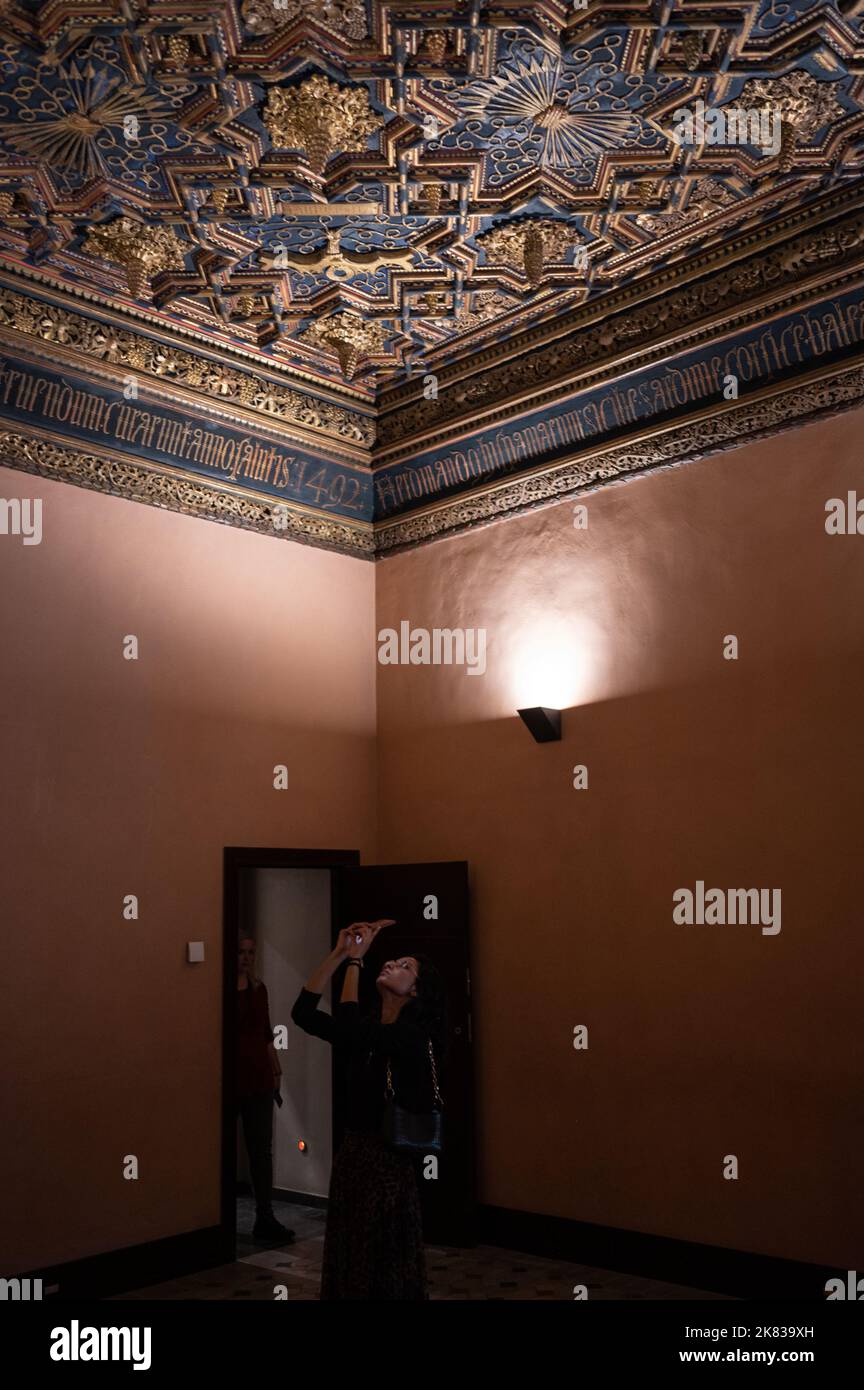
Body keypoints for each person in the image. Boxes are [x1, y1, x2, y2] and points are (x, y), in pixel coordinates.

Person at [291, 920, 448, 1300]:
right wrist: (340, 953)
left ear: (415, 990)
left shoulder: (410, 1036)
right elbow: (302, 1013)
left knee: (380, 1267)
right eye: (393, 960)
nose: (392, 964)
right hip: (353, 1160)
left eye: (405, 966)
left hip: (386, 1167)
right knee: (353, 1260)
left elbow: (347, 1027)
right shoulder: (368, 1027)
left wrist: (356, 963)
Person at [236, 936, 295, 1242]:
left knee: (261, 1149)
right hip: (232, 1077)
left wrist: (276, 1069)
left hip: (258, 1075)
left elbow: (266, 1033)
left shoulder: (259, 990)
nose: (245, 958)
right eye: (240, 952)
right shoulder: (224, 991)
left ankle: (265, 1215)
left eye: (250, 953)